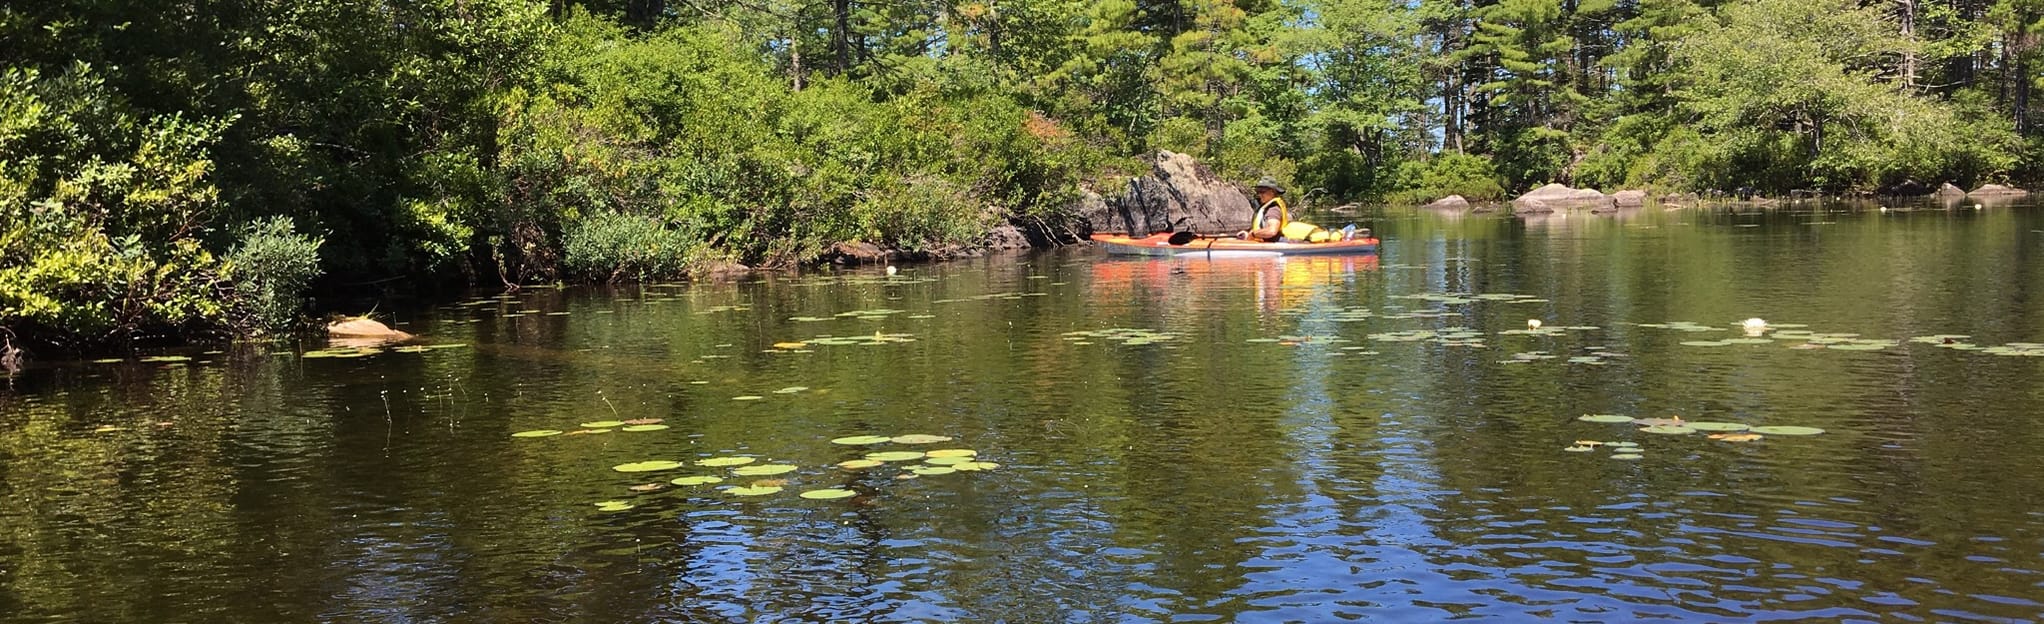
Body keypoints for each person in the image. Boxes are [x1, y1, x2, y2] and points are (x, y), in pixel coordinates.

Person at [1235, 178, 1357, 243]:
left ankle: (1341, 234)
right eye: (1258, 192)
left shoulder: (1273, 209)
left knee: (1316, 237)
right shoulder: (1268, 207)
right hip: (1279, 240)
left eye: (1262, 192)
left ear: (1272, 192)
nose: (1259, 195)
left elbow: (1272, 231)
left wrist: (1253, 234)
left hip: (1284, 241)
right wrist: (1248, 233)